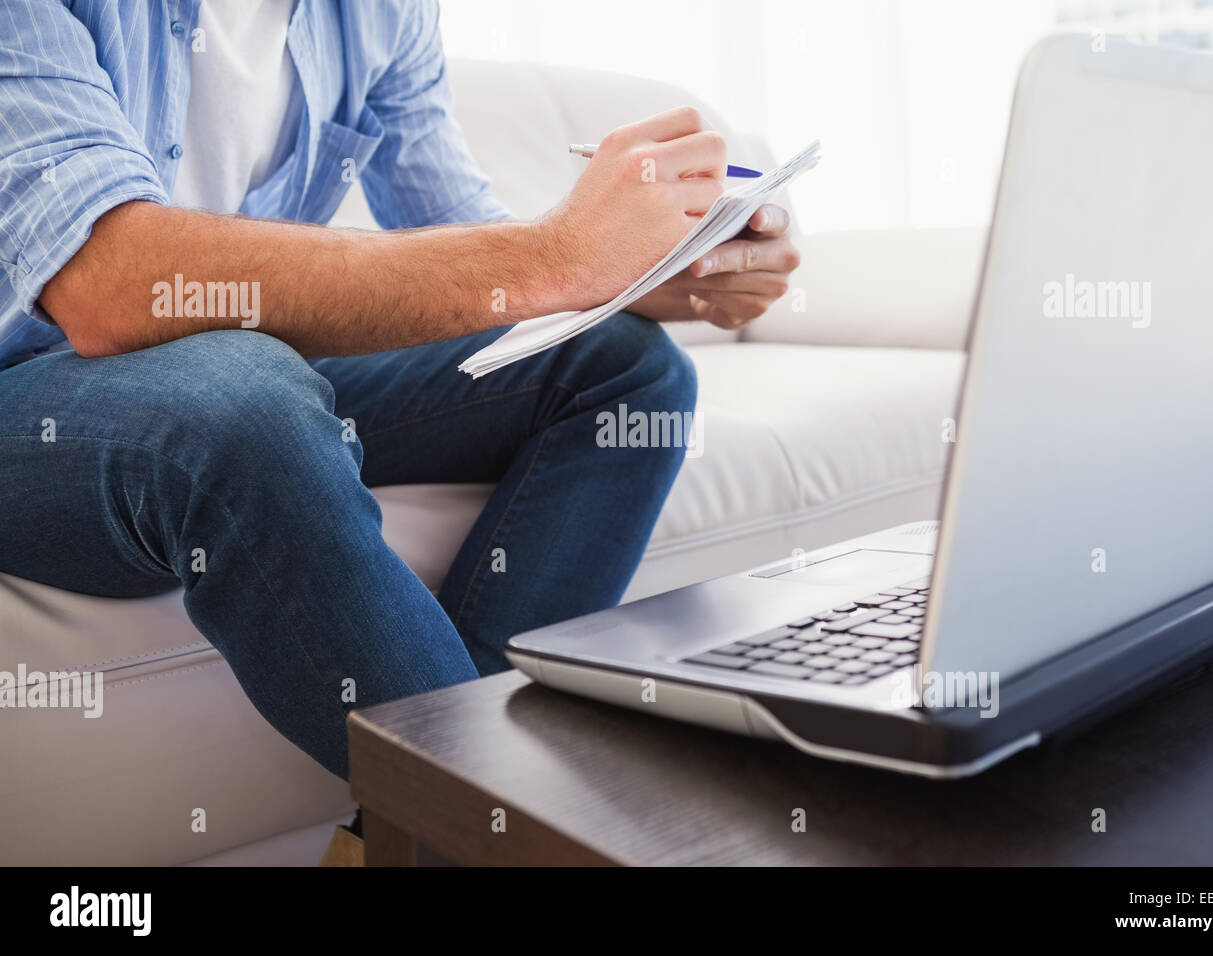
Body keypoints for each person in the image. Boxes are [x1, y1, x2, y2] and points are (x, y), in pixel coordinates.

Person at [0, 0, 801, 783]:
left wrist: (678, 264)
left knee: (624, 366)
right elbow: (109, 283)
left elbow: (471, 241)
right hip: (30, 390)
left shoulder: (378, 13)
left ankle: (442, 811)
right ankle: (495, 824)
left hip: (214, 364)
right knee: (246, 400)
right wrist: (557, 255)